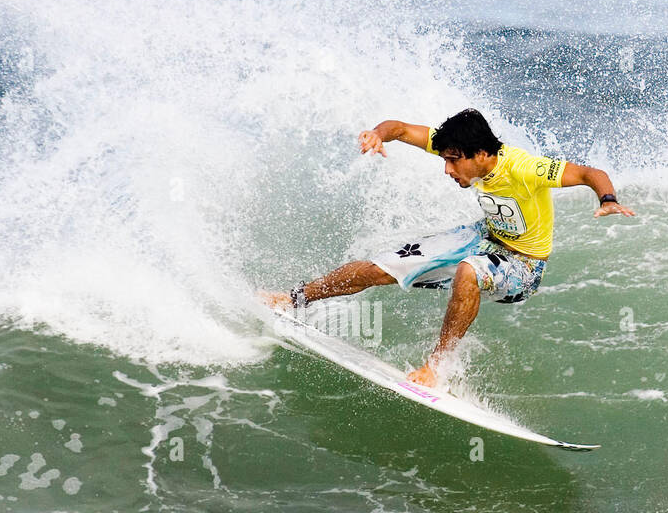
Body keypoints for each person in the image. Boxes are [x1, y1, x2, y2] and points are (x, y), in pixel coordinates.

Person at [261, 108, 635, 386]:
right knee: (379, 268)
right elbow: (401, 128)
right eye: (444, 159)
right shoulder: (459, 148)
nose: (447, 170)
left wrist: (607, 198)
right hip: (481, 235)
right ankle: (294, 298)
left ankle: (436, 368)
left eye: (454, 162)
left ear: (482, 155)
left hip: (523, 265)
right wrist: (377, 134)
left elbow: (590, 173)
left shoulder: (525, 168)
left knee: (469, 271)